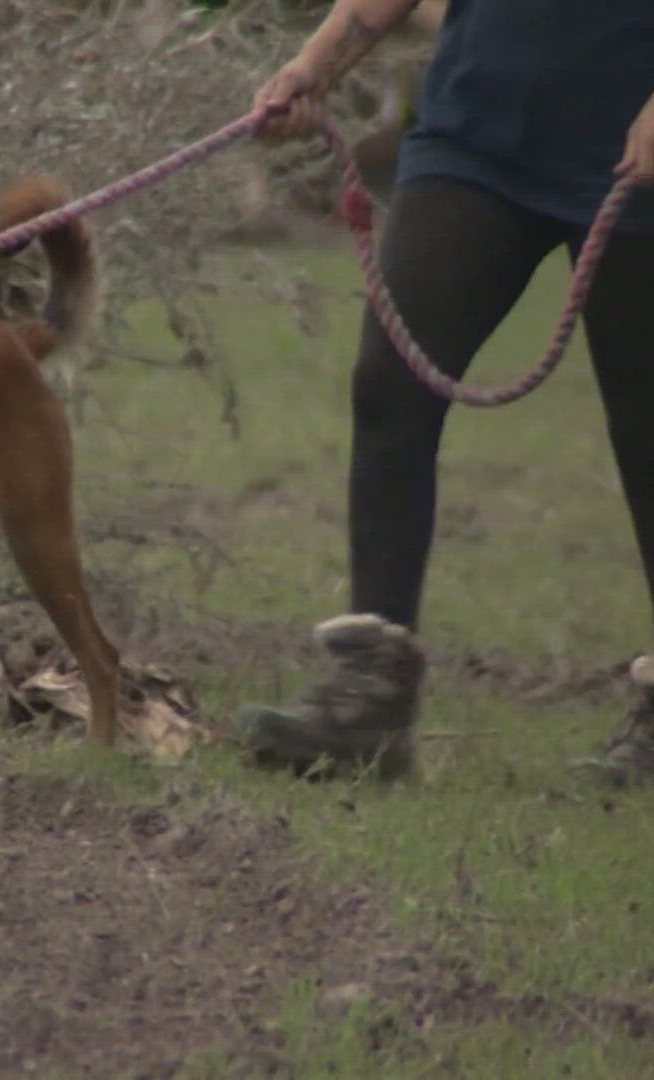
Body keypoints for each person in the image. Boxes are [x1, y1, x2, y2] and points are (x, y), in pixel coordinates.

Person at [235, 0, 654, 785]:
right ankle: (371, 698)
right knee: (391, 383)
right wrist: (313, 66)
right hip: (479, 129)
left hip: (639, 139)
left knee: (647, 429)